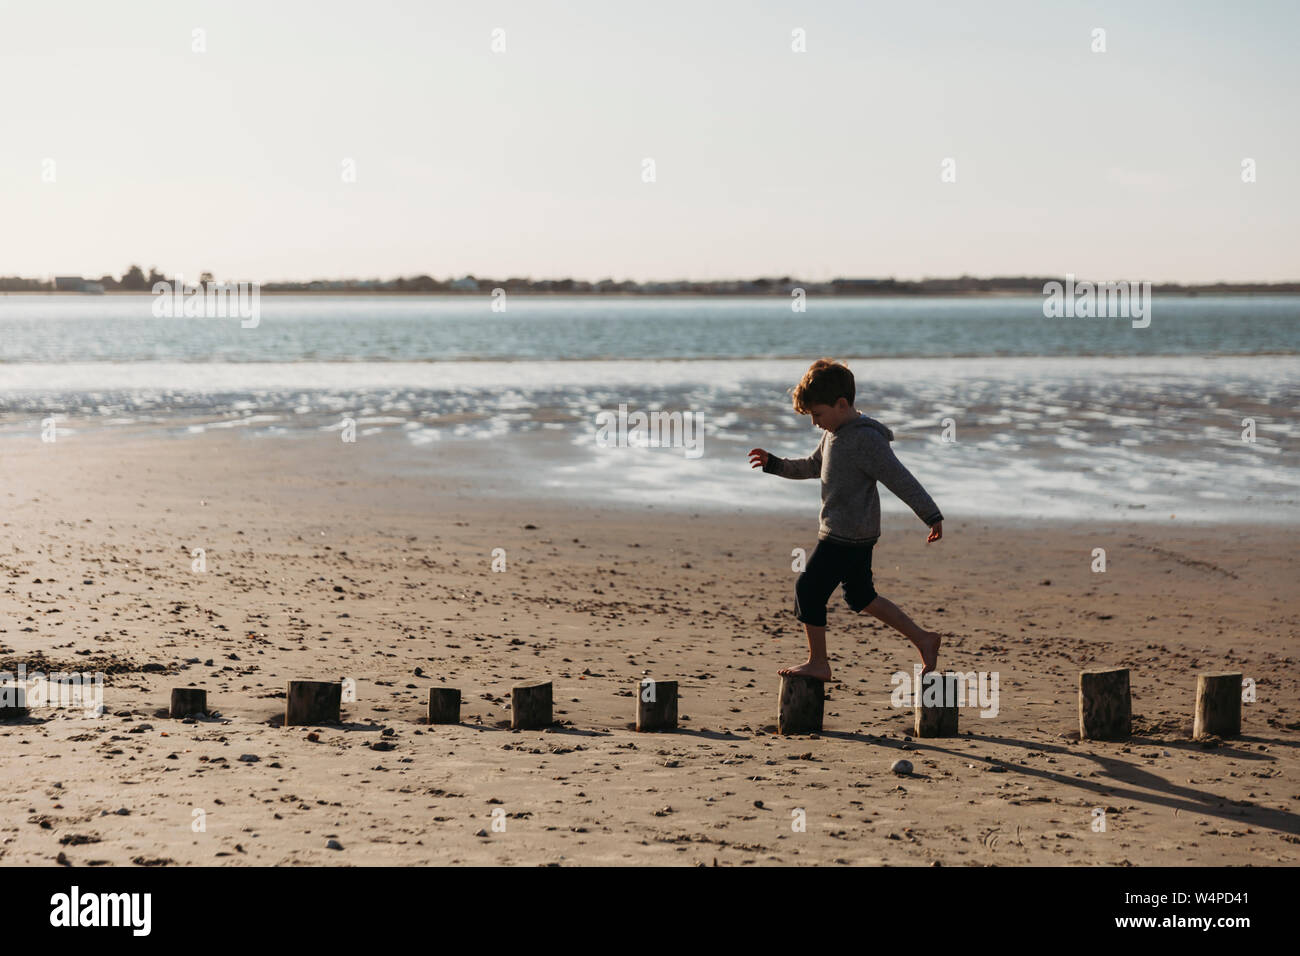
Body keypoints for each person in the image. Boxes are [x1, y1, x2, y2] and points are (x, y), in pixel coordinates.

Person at [749, 358, 945, 680]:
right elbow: (813, 467)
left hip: (845, 536)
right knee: (861, 596)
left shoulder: (866, 439)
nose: (815, 423)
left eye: (817, 414)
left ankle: (819, 663)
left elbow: (899, 478)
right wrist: (775, 464)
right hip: (851, 534)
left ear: (842, 404)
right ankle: (924, 639)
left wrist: (930, 514)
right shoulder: (834, 433)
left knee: (808, 590)